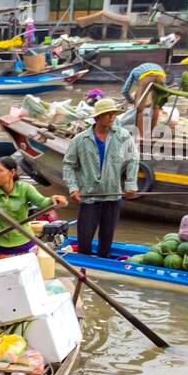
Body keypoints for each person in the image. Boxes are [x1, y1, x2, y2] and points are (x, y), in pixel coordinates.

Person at [62, 97, 138, 258]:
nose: (112, 117)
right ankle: (83, 264)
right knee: (85, 237)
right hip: (89, 196)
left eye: (114, 114)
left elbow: (133, 160)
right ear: (97, 118)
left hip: (112, 195)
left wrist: (131, 184)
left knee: (107, 237)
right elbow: (69, 165)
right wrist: (73, 187)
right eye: (108, 114)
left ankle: (103, 261)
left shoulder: (123, 136)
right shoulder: (80, 139)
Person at [0, 157, 66, 258]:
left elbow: (42, 202)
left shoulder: (25, 188)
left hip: (24, 242)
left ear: (12, 172)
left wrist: (54, 199)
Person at [122, 61, 168, 131]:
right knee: (156, 106)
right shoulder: (146, 68)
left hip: (147, 76)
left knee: (140, 110)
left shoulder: (134, 71)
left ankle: (140, 135)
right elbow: (166, 91)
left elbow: (124, 90)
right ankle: (152, 133)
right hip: (161, 75)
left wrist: (132, 101)